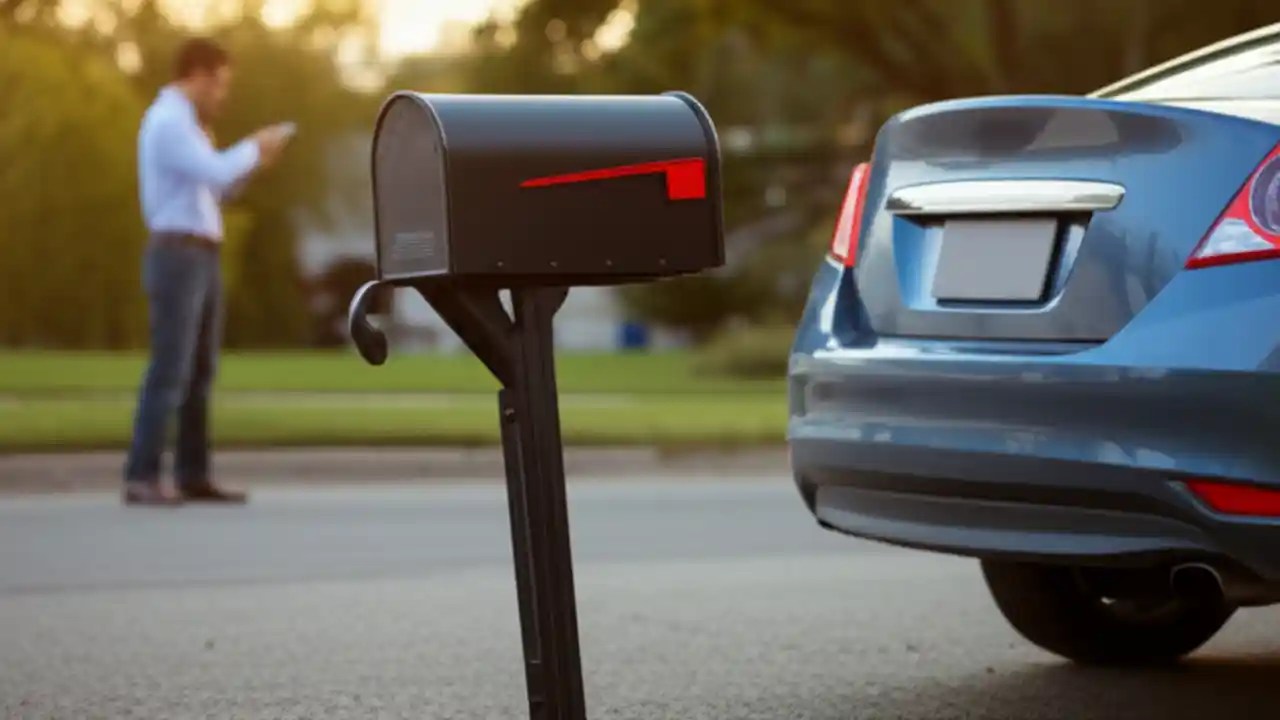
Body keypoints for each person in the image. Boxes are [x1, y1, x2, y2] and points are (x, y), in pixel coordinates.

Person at [123, 38, 291, 506]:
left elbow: (216, 190)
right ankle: (142, 475)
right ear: (197, 75)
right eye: (219, 84)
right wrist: (254, 146)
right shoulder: (168, 121)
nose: (222, 95)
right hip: (178, 253)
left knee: (199, 370)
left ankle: (192, 473)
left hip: (200, 252)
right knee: (170, 368)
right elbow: (216, 172)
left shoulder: (190, 127)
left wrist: (253, 165)